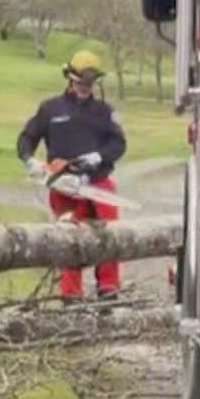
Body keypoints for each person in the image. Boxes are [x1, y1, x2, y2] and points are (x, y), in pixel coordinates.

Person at [17, 49, 128, 300]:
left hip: (98, 183)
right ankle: (71, 295)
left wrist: (99, 156)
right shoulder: (50, 109)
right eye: (81, 83)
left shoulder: (104, 112)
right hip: (64, 186)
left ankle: (108, 290)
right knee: (69, 239)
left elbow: (119, 144)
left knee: (109, 236)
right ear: (70, 78)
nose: (85, 88)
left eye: (89, 84)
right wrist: (30, 160)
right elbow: (27, 138)